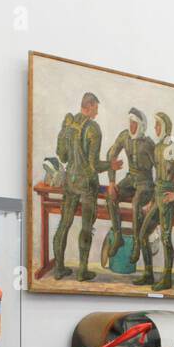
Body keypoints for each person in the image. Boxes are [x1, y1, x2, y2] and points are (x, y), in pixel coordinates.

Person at [52, 92, 111, 282]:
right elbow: (94, 166)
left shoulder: (68, 124)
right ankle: (82, 271)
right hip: (87, 185)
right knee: (86, 227)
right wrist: (112, 165)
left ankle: (59, 269)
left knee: (64, 224)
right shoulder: (93, 129)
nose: (97, 112)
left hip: (70, 181)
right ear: (91, 105)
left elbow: (62, 156)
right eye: (96, 108)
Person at [135, 112, 174, 291]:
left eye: (159, 125)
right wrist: (151, 200)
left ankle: (166, 278)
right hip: (157, 198)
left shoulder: (172, 146)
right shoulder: (158, 147)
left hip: (167, 199)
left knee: (165, 239)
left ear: (166, 126)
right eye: (155, 125)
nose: (156, 128)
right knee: (143, 235)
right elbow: (157, 178)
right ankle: (149, 274)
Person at [101, 108, 155, 269]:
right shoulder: (124, 136)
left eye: (135, 123)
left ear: (142, 126)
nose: (131, 126)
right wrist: (111, 182)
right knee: (111, 196)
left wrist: (153, 198)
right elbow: (111, 155)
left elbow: (161, 170)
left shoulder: (149, 144)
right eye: (130, 123)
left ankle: (137, 244)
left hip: (145, 183)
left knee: (137, 202)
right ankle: (118, 236)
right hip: (130, 179)